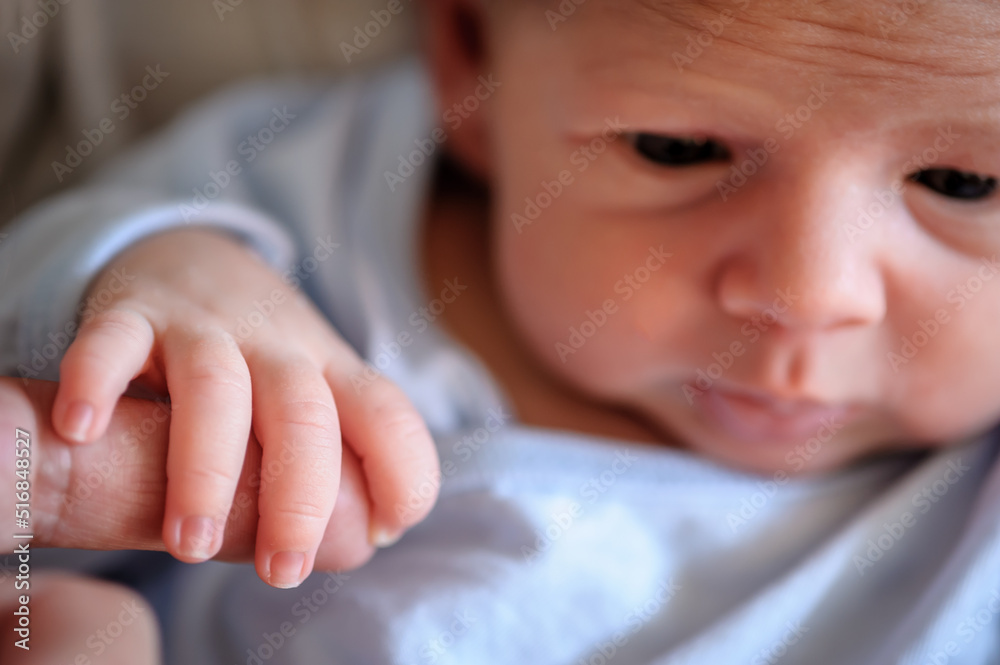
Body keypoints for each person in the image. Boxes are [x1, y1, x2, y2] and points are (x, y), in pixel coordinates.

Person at [4, 0, 1000, 662]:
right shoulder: (335, 187)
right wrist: (160, 268)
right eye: (676, 149)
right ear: (471, 67)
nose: (806, 292)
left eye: (963, 184)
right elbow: (41, 299)